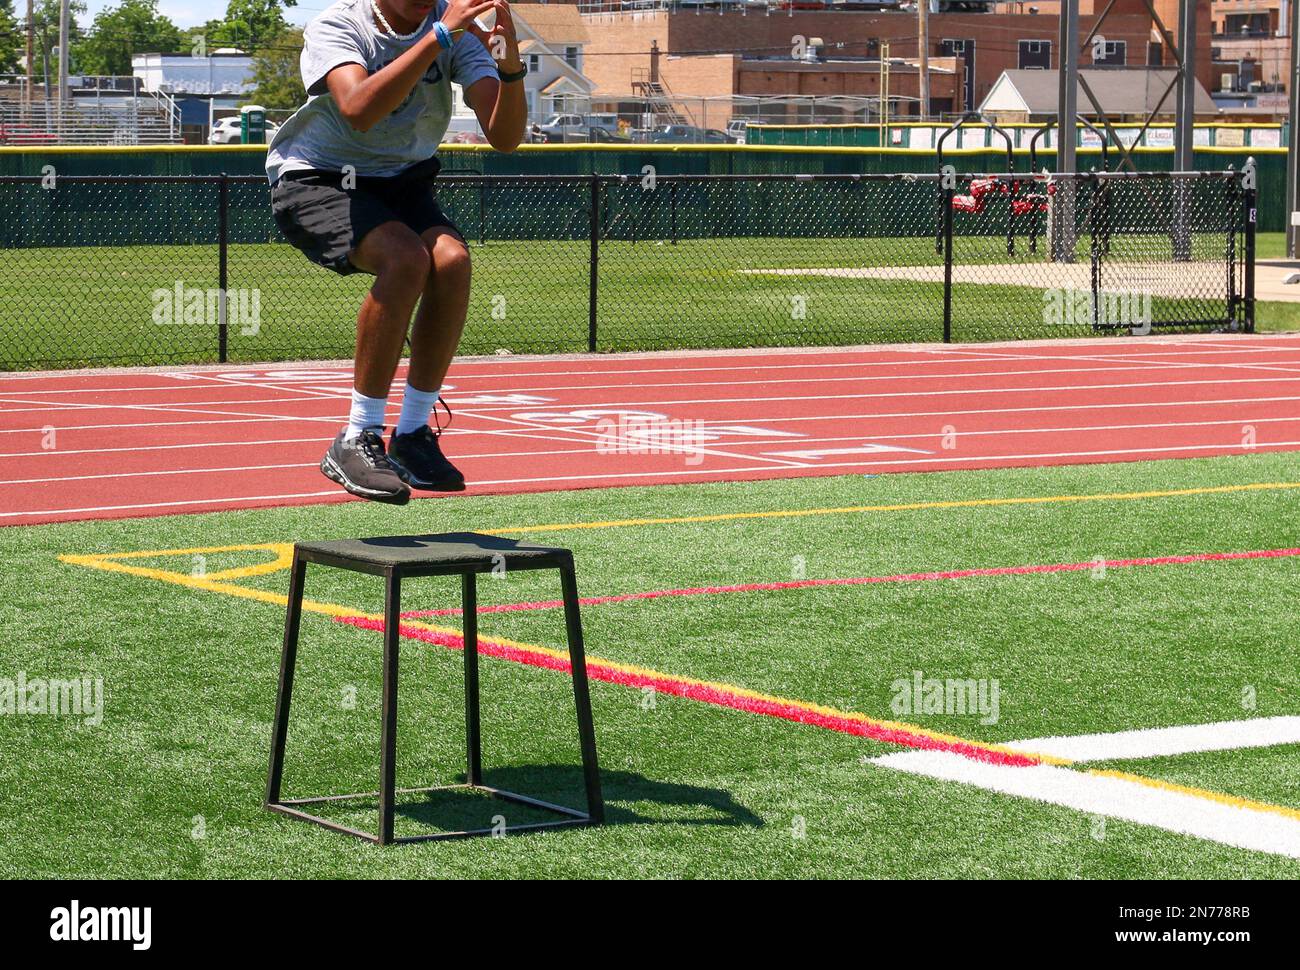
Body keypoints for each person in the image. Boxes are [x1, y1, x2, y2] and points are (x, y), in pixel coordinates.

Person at [266, 0, 527, 504]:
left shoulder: (455, 25)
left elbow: (505, 136)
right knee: (405, 258)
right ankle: (356, 436)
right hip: (316, 177)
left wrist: (509, 64)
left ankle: (410, 435)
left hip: (401, 180)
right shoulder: (341, 23)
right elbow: (359, 111)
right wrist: (439, 38)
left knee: (451, 261)